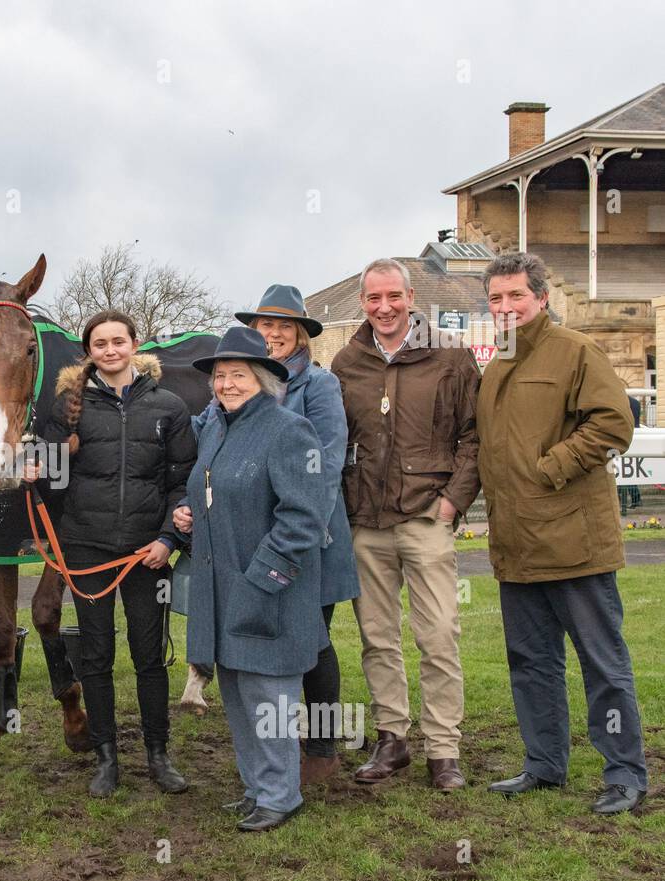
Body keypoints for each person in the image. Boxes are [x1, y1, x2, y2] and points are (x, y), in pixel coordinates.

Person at [477, 252, 648, 815]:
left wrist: (552, 466)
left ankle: (625, 773)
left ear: (542, 298)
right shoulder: (497, 364)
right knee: (531, 662)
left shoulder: (575, 350)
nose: (506, 306)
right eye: (496, 298)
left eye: (516, 296)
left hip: (576, 543)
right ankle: (544, 764)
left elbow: (614, 422)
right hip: (517, 543)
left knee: (603, 663)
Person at [27, 309, 196, 797]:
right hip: (88, 549)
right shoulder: (67, 406)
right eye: (99, 344)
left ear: (134, 344)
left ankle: (158, 754)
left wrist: (168, 539)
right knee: (96, 655)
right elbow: (52, 473)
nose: (110, 351)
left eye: (118, 341)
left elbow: (181, 481)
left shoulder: (168, 406)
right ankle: (106, 758)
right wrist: (36, 470)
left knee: (149, 655)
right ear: (89, 351)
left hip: (146, 552)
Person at [330, 258, 480, 791]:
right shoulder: (347, 362)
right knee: (377, 637)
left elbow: (474, 436)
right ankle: (391, 738)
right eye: (374, 298)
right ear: (363, 302)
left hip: (426, 516)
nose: (384, 307)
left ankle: (444, 749)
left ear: (411, 297)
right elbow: (335, 440)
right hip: (366, 522)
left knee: (438, 635)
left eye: (393, 296)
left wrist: (452, 503)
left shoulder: (451, 355)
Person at [174, 326, 328, 831]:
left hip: (270, 591)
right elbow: (214, 492)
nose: (227, 384)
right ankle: (256, 788)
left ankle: (281, 796)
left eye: (238, 374)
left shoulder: (288, 430)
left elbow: (303, 517)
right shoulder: (216, 429)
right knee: (239, 695)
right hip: (222, 591)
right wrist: (190, 514)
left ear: (263, 379)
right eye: (220, 376)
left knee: (270, 697)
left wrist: (263, 577)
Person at [238, 285, 359, 783]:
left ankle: (323, 747)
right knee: (273, 641)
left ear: (301, 334)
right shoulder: (244, 383)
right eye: (266, 325)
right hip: (257, 536)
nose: (274, 334)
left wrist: (305, 528)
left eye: (284, 327)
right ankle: (278, 744)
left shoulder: (320, 386)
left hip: (312, 536)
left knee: (313, 639)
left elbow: (327, 461)